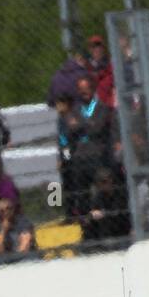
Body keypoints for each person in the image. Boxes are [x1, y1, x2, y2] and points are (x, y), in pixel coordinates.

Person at [61, 76, 114, 219]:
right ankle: (85, 219)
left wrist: (79, 125)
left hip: (98, 155)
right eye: (81, 89)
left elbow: (98, 128)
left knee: (101, 186)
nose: (84, 92)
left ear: (93, 89)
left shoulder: (102, 108)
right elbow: (69, 130)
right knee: (81, 191)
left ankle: (105, 215)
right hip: (79, 156)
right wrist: (88, 124)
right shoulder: (74, 110)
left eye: (87, 88)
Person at [83, 167, 131, 241]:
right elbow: (92, 212)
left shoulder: (120, 194)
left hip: (122, 227)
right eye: (100, 183)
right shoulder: (98, 197)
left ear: (111, 181)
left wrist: (104, 213)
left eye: (104, 182)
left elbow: (121, 212)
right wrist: (91, 215)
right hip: (106, 231)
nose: (102, 186)